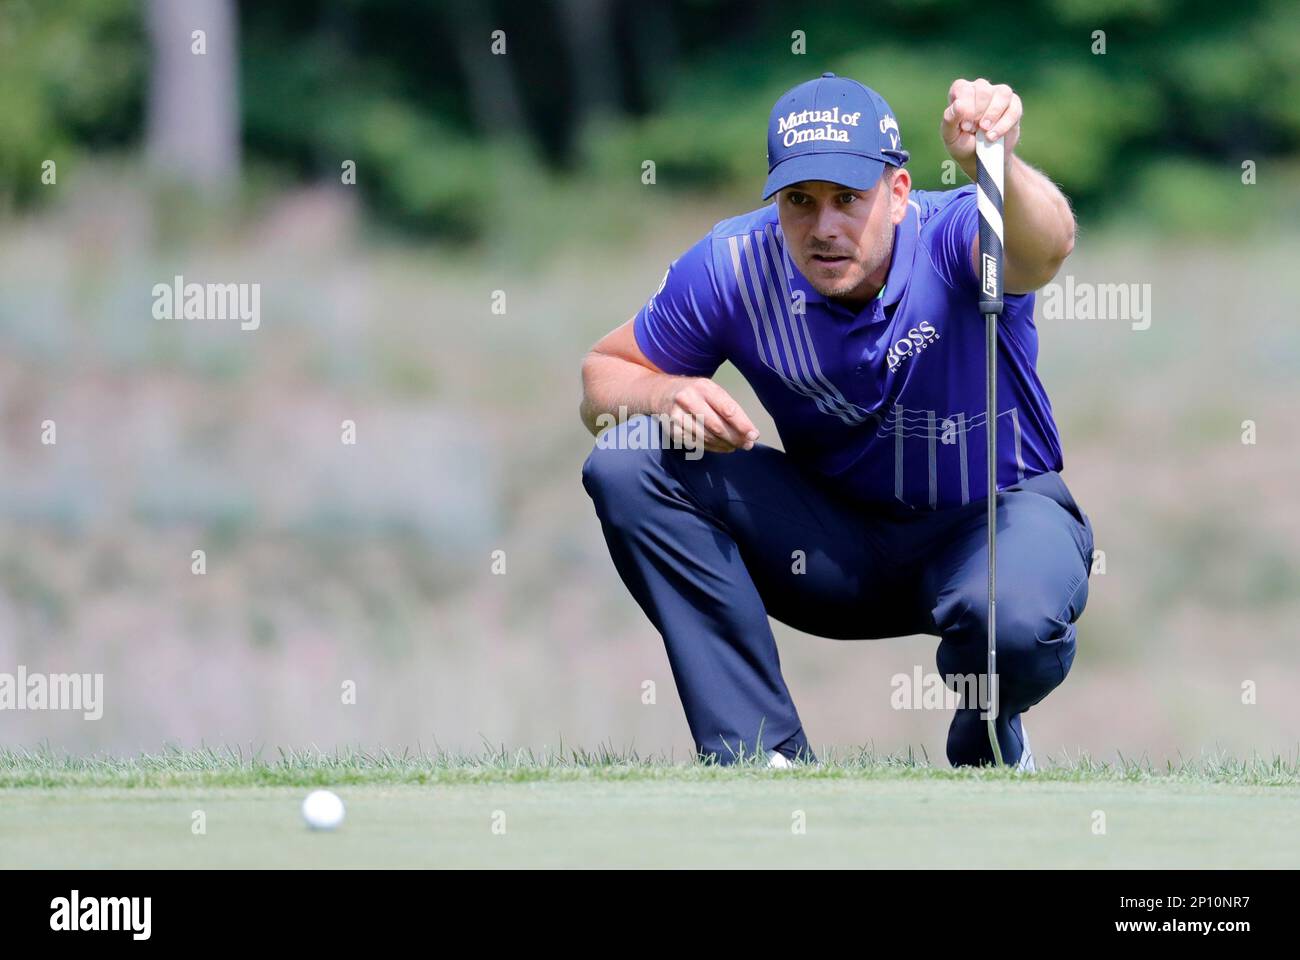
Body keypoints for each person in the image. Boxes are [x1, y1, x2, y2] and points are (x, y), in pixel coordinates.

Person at [578, 74, 1095, 769]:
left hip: (992, 528)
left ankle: (990, 730)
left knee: (1016, 624)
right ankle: (760, 758)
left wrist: (992, 165)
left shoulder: (953, 240)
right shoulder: (736, 266)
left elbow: (1048, 248)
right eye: (800, 201)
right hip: (837, 548)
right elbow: (602, 378)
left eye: (848, 199)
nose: (824, 227)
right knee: (629, 457)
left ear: (901, 193)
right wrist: (662, 394)